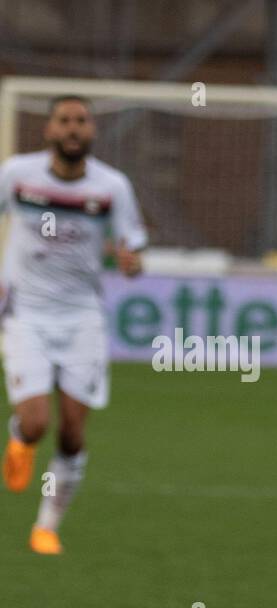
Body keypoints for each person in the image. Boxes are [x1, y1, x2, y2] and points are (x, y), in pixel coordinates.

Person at [1, 95, 146, 553]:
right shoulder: (18, 176)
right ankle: (21, 440)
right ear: (48, 130)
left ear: (92, 132)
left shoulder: (112, 187)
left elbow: (133, 247)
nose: (72, 129)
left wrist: (130, 262)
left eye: (81, 121)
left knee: (72, 432)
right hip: (26, 311)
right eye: (64, 120)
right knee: (38, 421)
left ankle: (46, 526)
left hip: (83, 316)